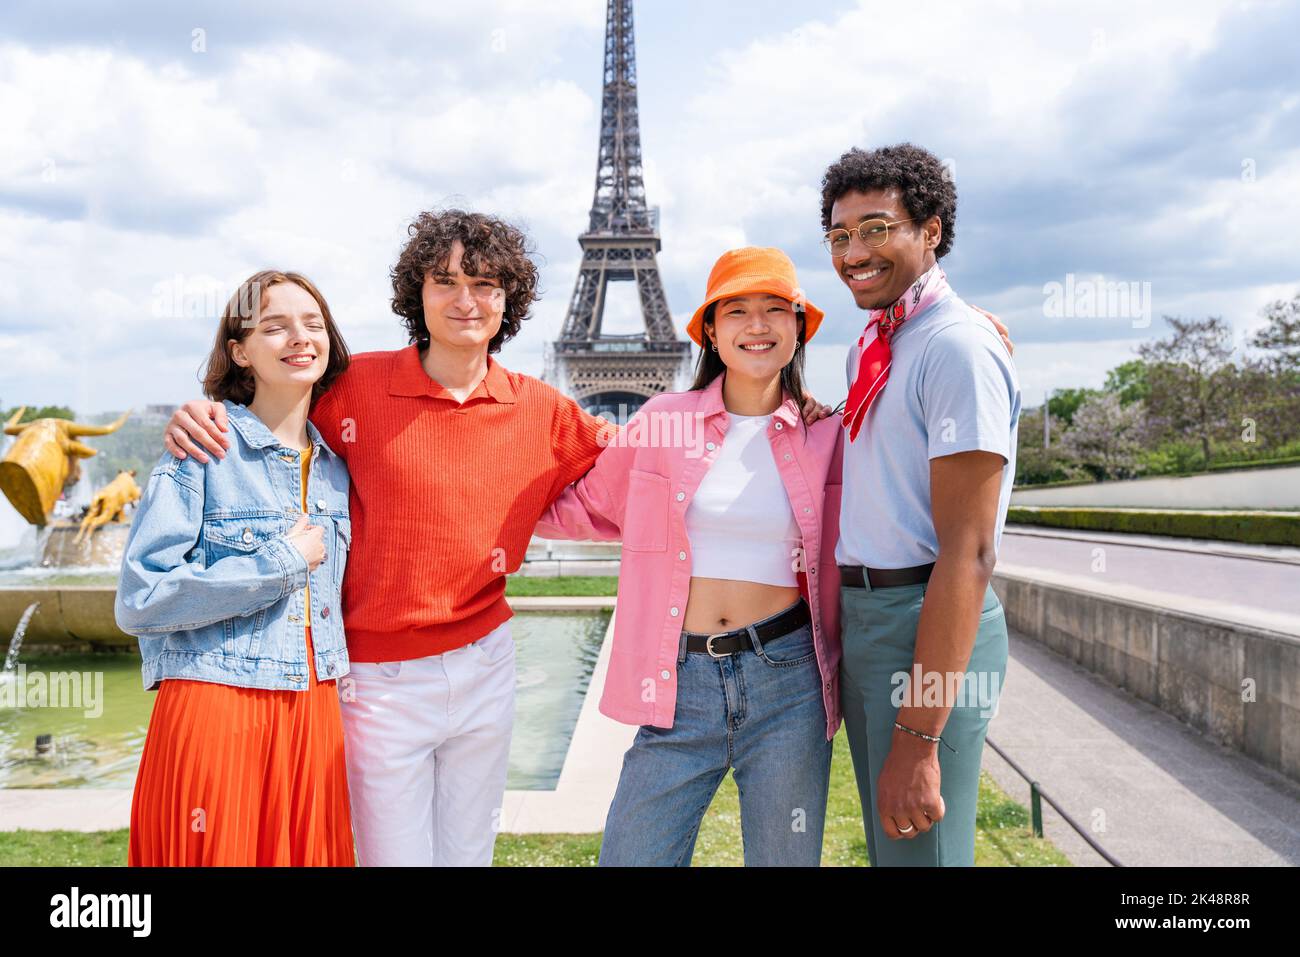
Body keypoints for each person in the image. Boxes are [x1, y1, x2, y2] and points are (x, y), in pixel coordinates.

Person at [159, 211, 623, 866]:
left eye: (486, 283)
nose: (467, 299)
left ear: (508, 299)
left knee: (468, 857)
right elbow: (264, 414)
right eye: (446, 281)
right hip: (377, 677)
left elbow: (642, 471)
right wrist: (203, 412)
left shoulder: (543, 408)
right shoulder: (353, 387)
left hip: (486, 662)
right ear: (418, 294)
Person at [535, 248, 843, 866]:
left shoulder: (828, 433)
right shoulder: (663, 420)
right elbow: (590, 505)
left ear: (799, 326)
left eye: (775, 310)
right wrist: (479, 514)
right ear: (710, 329)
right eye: (737, 311)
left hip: (787, 679)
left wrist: (975, 334)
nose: (757, 326)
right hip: (679, 678)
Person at [822, 143, 1022, 866]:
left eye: (877, 228)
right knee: (895, 852)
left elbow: (969, 554)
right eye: (840, 236)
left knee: (921, 853)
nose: (854, 252)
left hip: (923, 623)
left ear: (930, 230)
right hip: (873, 621)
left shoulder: (955, 348)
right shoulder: (877, 344)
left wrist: (920, 736)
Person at [116, 269, 354, 866]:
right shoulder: (203, 450)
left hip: (315, 712)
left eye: (313, 324)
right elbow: (140, 598)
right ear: (239, 350)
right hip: (218, 705)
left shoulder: (338, 469)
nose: (299, 338)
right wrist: (279, 563)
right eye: (274, 327)